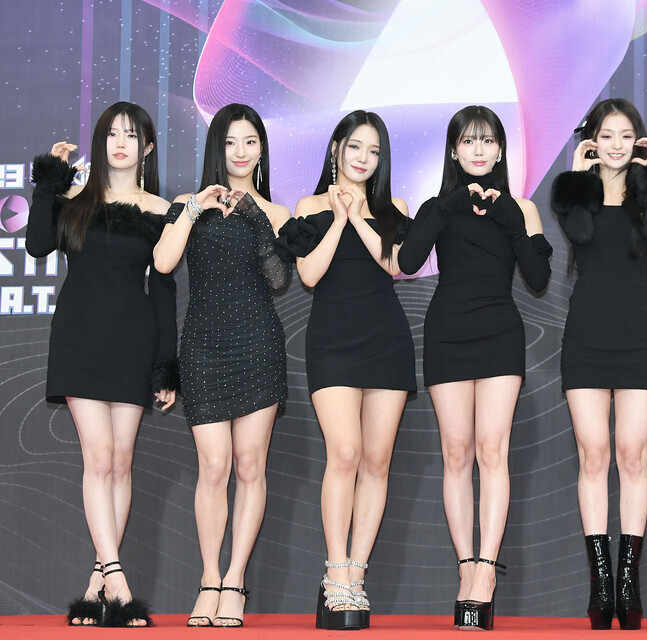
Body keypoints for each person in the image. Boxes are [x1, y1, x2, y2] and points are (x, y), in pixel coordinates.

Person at [397, 105, 552, 631]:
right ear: (454, 150)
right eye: (469, 141)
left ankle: (486, 571)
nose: (479, 150)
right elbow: (408, 261)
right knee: (457, 452)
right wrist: (449, 205)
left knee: (491, 449)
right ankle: (465, 567)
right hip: (448, 332)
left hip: (500, 333)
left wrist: (507, 216)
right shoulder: (437, 206)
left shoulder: (522, 209)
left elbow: (537, 277)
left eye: (488, 141)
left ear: (501, 150)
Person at [26, 102, 178, 627]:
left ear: (147, 147)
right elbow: (37, 244)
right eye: (112, 133)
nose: (120, 143)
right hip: (80, 338)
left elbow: (163, 289)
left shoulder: (159, 209)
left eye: (131, 135)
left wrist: (166, 364)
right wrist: (49, 180)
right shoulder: (75, 198)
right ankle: (118, 580)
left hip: (133, 340)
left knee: (120, 461)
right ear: (99, 141)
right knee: (98, 457)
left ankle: (95, 585)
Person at [274, 110, 415, 631]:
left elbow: (396, 266)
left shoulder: (395, 209)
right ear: (336, 148)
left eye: (373, 151)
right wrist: (337, 218)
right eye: (355, 146)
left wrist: (359, 216)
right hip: (333, 341)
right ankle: (334, 574)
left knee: (376, 462)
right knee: (346, 453)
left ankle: (356, 575)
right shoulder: (308, 207)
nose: (363, 158)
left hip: (386, 340)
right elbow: (309, 275)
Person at [153, 103, 291, 628]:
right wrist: (194, 210)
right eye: (231, 142)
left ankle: (235, 581)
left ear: (262, 149)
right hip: (204, 347)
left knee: (251, 465)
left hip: (257, 344)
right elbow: (163, 262)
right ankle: (209, 578)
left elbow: (279, 279)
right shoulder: (187, 204)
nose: (240, 152)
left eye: (250, 141)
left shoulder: (274, 213)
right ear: (217, 147)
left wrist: (254, 215)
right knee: (213, 467)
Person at [549, 98, 647, 630]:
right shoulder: (574, 195)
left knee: (632, 455)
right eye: (606, 135)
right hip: (586, 336)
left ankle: (628, 582)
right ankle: (600, 582)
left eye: (626, 136)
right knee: (593, 455)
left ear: (638, 141)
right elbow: (582, 234)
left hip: (638, 335)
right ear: (592, 140)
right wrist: (578, 177)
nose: (616, 145)